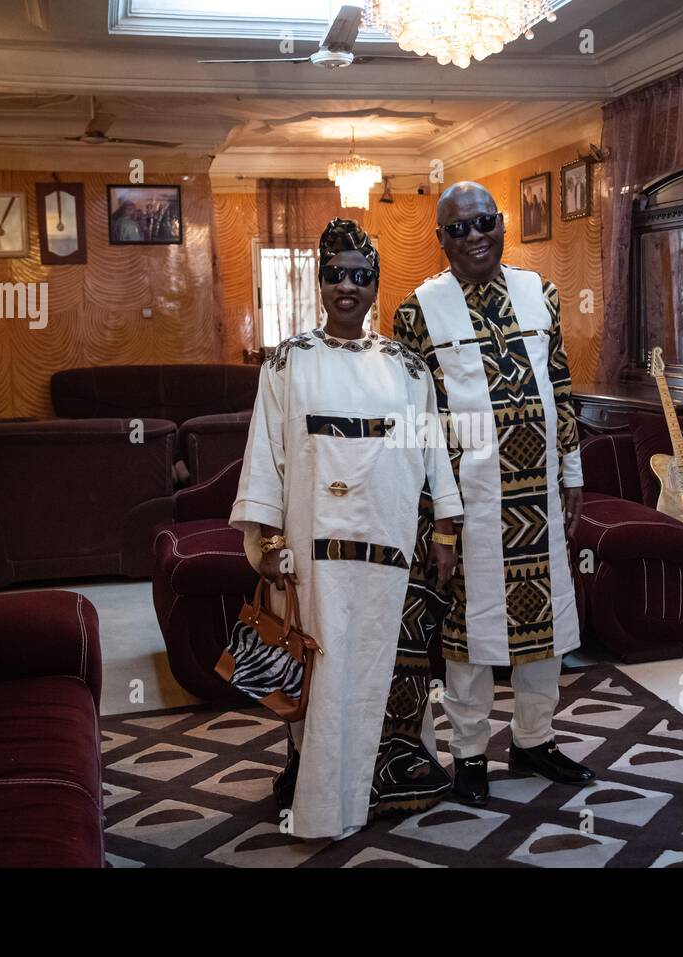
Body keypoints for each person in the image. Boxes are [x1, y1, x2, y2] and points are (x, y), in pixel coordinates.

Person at [229, 219, 462, 840]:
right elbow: (267, 457)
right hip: (312, 556)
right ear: (320, 282)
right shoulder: (287, 364)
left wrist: (443, 530)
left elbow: (433, 450)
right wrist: (268, 543)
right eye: (337, 275)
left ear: (375, 284)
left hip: (389, 554)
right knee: (316, 671)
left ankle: (376, 793)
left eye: (362, 276)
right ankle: (316, 795)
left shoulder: (408, 369)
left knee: (381, 675)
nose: (348, 288)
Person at [393, 181, 596, 807]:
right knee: (470, 634)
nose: (474, 235)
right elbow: (414, 420)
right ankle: (471, 753)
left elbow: (561, 389)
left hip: (537, 496)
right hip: (465, 503)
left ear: (501, 223)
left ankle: (535, 739)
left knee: (544, 629)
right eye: (459, 228)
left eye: (484, 222)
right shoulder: (417, 311)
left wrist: (574, 475)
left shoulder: (543, 293)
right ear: (441, 238)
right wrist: (432, 512)